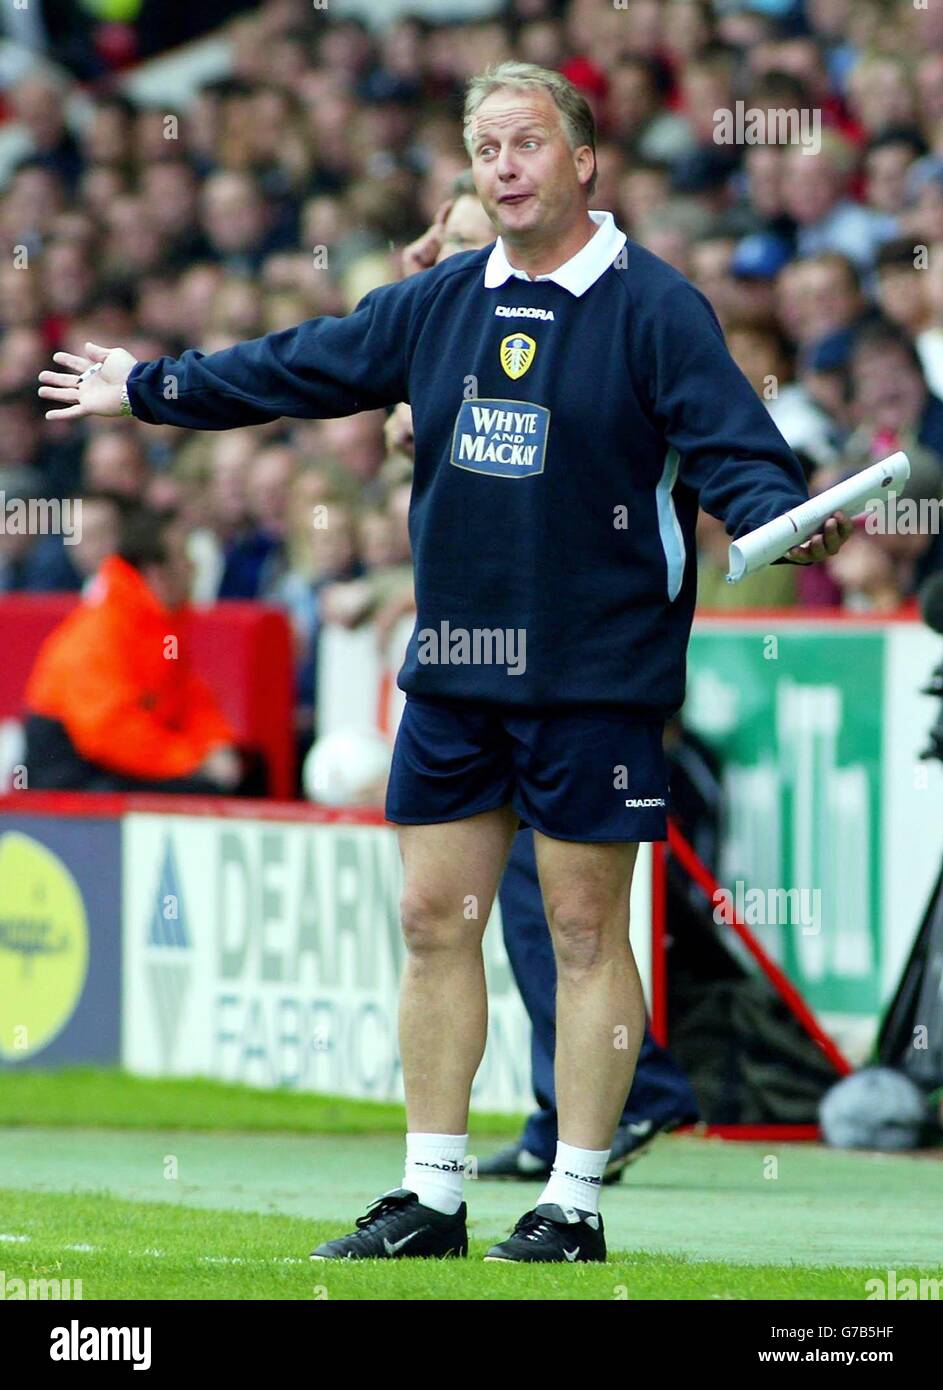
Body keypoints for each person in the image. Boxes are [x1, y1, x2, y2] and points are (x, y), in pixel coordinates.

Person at [38, 61, 852, 1264]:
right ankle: (431, 1192)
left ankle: (572, 1201)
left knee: (583, 935)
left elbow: (734, 453)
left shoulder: (655, 304)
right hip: (457, 669)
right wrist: (151, 388)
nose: (504, 166)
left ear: (585, 160)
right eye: (485, 149)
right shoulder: (442, 298)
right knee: (432, 919)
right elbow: (300, 362)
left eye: (526, 143)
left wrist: (787, 510)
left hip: (596, 676)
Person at [23, 505, 260, 795]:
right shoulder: (98, 633)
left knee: (250, 770)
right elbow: (110, 733)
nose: (193, 568)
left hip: (124, 760)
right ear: (156, 573)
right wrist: (193, 761)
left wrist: (216, 745)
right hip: (74, 775)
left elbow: (190, 701)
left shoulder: (160, 628)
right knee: (206, 789)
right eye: (184, 558)